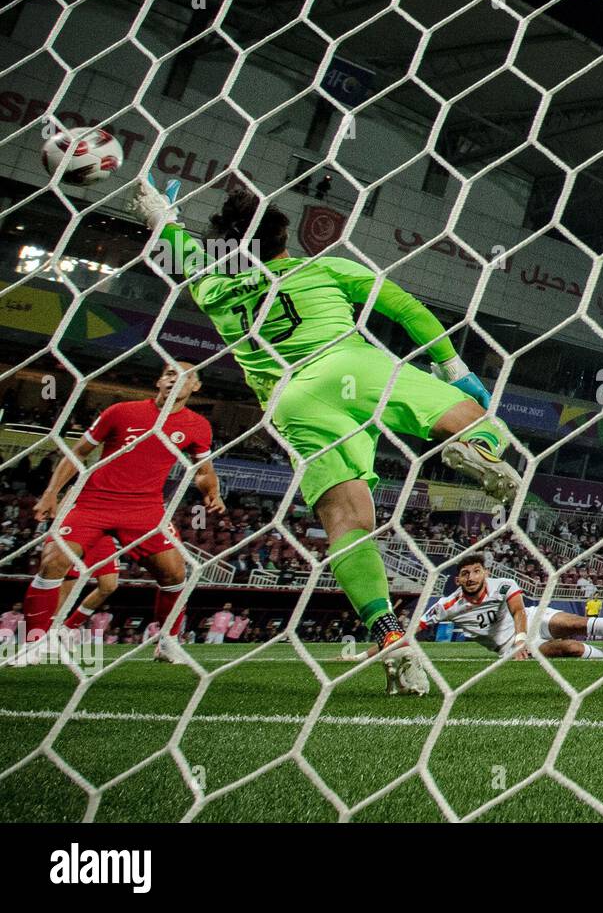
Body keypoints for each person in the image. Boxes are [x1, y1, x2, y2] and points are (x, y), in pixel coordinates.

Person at [128, 180, 527, 693]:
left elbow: (173, 246)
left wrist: (159, 213)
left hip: (292, 400)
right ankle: (478, 450)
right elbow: (404, 308)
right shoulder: (323, 268)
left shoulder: (212, 286)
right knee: (473, 415)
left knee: (349, 523)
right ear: (284, 238)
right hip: (349, 363)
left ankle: (387, 635)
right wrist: (451, 364)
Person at [12, 363, 224, 666]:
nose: (174, 379)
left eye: (185, 376)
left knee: (175, 575)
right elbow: (79, 452)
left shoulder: (198, 425)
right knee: (52, 563)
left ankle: (167, 641)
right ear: (158, 381)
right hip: (94, 503)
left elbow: (203, 470)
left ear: (196, 387)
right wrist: (51, 492)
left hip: (146, 510)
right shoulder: (122, 411)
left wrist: (210, 491)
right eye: (168, 373)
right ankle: (34, 643)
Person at [342, 555, 603, 680]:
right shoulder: (447, 606)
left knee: (573, 623)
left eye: (476, 571)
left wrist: (523, 637)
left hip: (528, 624)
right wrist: (360, 656)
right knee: (569, 647)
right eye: (465, 574)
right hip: (507, 647)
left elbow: (520, 611)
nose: (471, 577)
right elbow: (406, 634)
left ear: (486, 573)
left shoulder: (504, 585)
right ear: (457, 580)